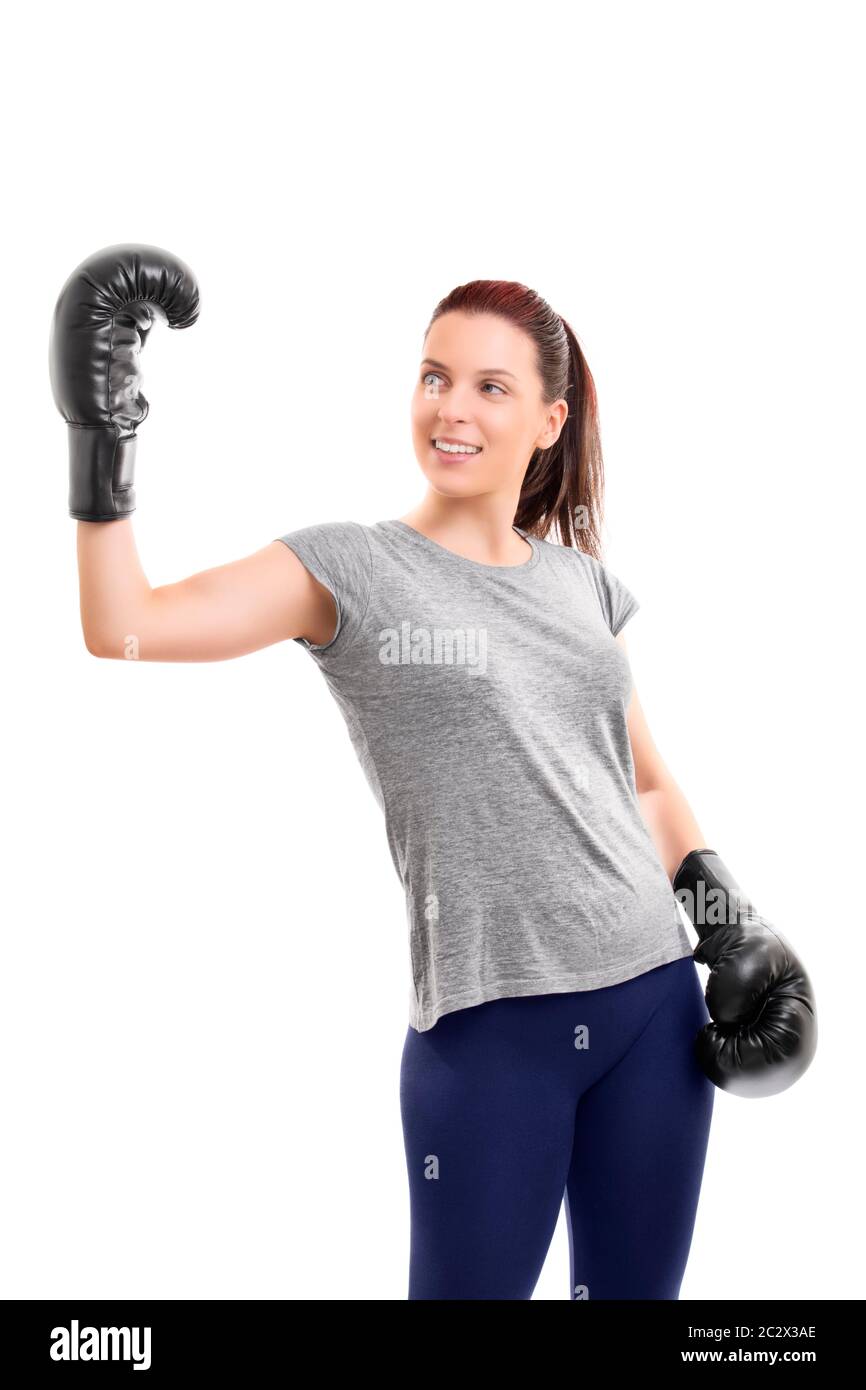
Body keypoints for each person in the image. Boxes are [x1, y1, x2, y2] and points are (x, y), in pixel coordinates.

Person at [50, 245, 817, 1301]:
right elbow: (123, 627)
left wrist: (731, 919)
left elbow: (639, 781)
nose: (449, 407)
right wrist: (104, 434)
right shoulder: (351, 569)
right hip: (489, 1032)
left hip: (652, 1009)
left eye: (489, 386)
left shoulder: (581, 585)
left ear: (548, 420)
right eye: (433, 375)